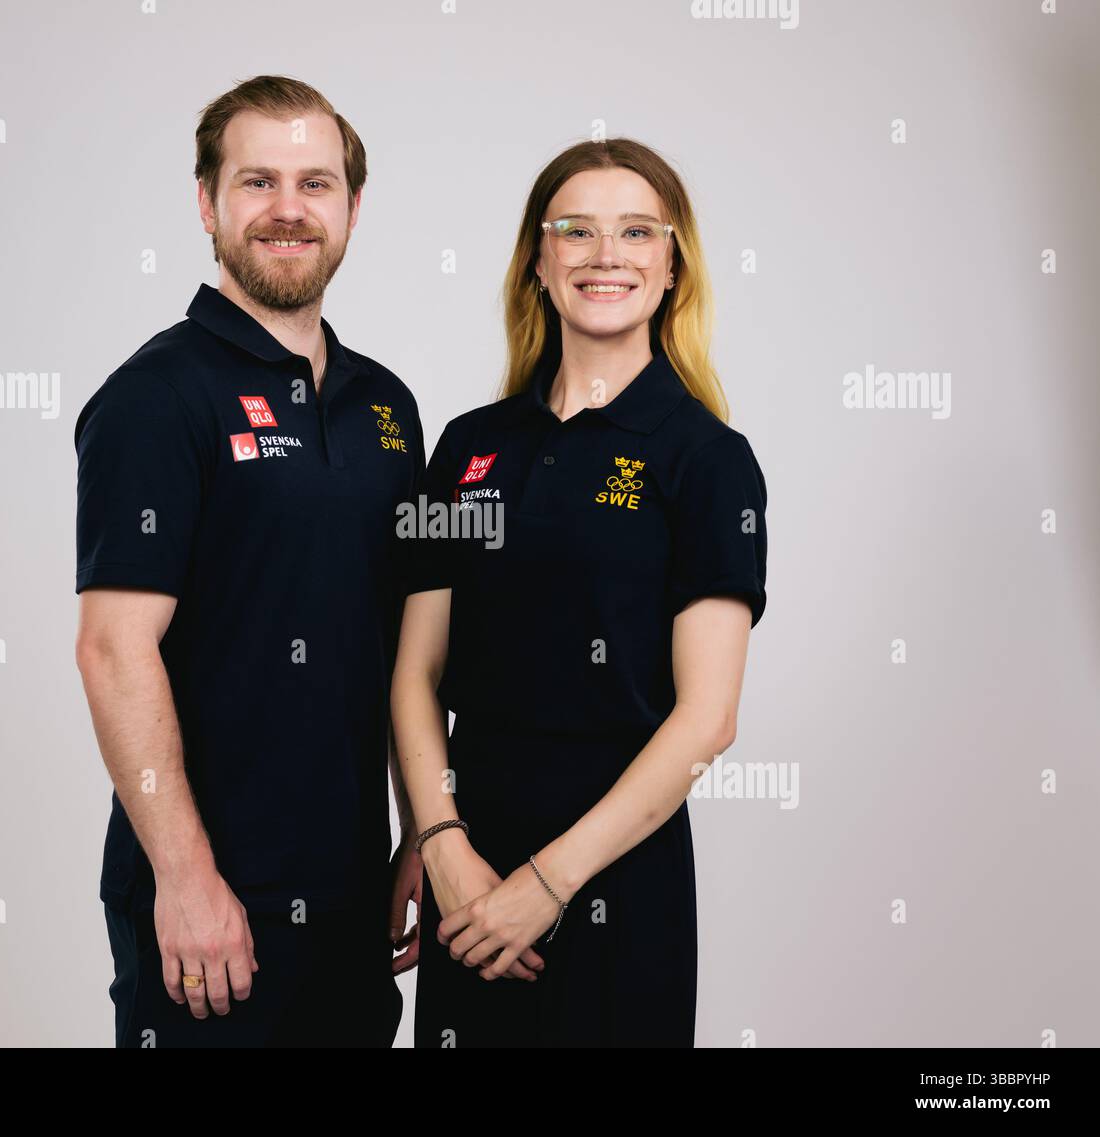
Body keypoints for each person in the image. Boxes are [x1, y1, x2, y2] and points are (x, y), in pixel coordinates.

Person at [391, 138, 769, 1047]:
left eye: (637, 231)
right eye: (577, 231)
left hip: (616, 885)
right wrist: (439, 842)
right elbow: (413, 670)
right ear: (539, 260)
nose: (607, 254)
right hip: (465, 880)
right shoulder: (464, 448)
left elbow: (707, 719)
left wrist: (546, 885)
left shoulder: (709, 462)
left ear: (673, 265)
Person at [74, 75, 422, 1047]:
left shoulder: (387, 407)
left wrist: (423, 829)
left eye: (315, 183)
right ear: (206, 203)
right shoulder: (155, 397)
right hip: (213, 900)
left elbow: (407, 646)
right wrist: (185, 879)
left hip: (353, 893)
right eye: (257, 180)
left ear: (352, 207)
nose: (287, 209)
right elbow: (112, 651)